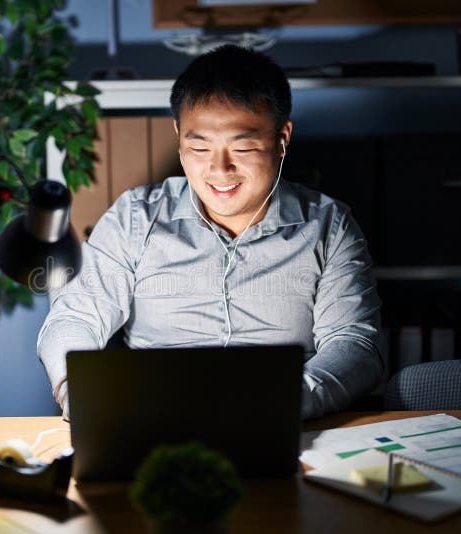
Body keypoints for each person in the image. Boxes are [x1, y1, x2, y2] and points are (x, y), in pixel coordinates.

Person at [38, 45, 382, 420]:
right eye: (198, 146)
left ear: (283, 138)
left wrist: (284, 403)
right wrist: (80, 393)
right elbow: (74, 318)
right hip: (153, 418)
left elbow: (354, 343)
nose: (219, 171)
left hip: (285, 422)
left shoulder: (329, 227)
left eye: (244, 146)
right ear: (178, 135)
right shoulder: (134, 218)